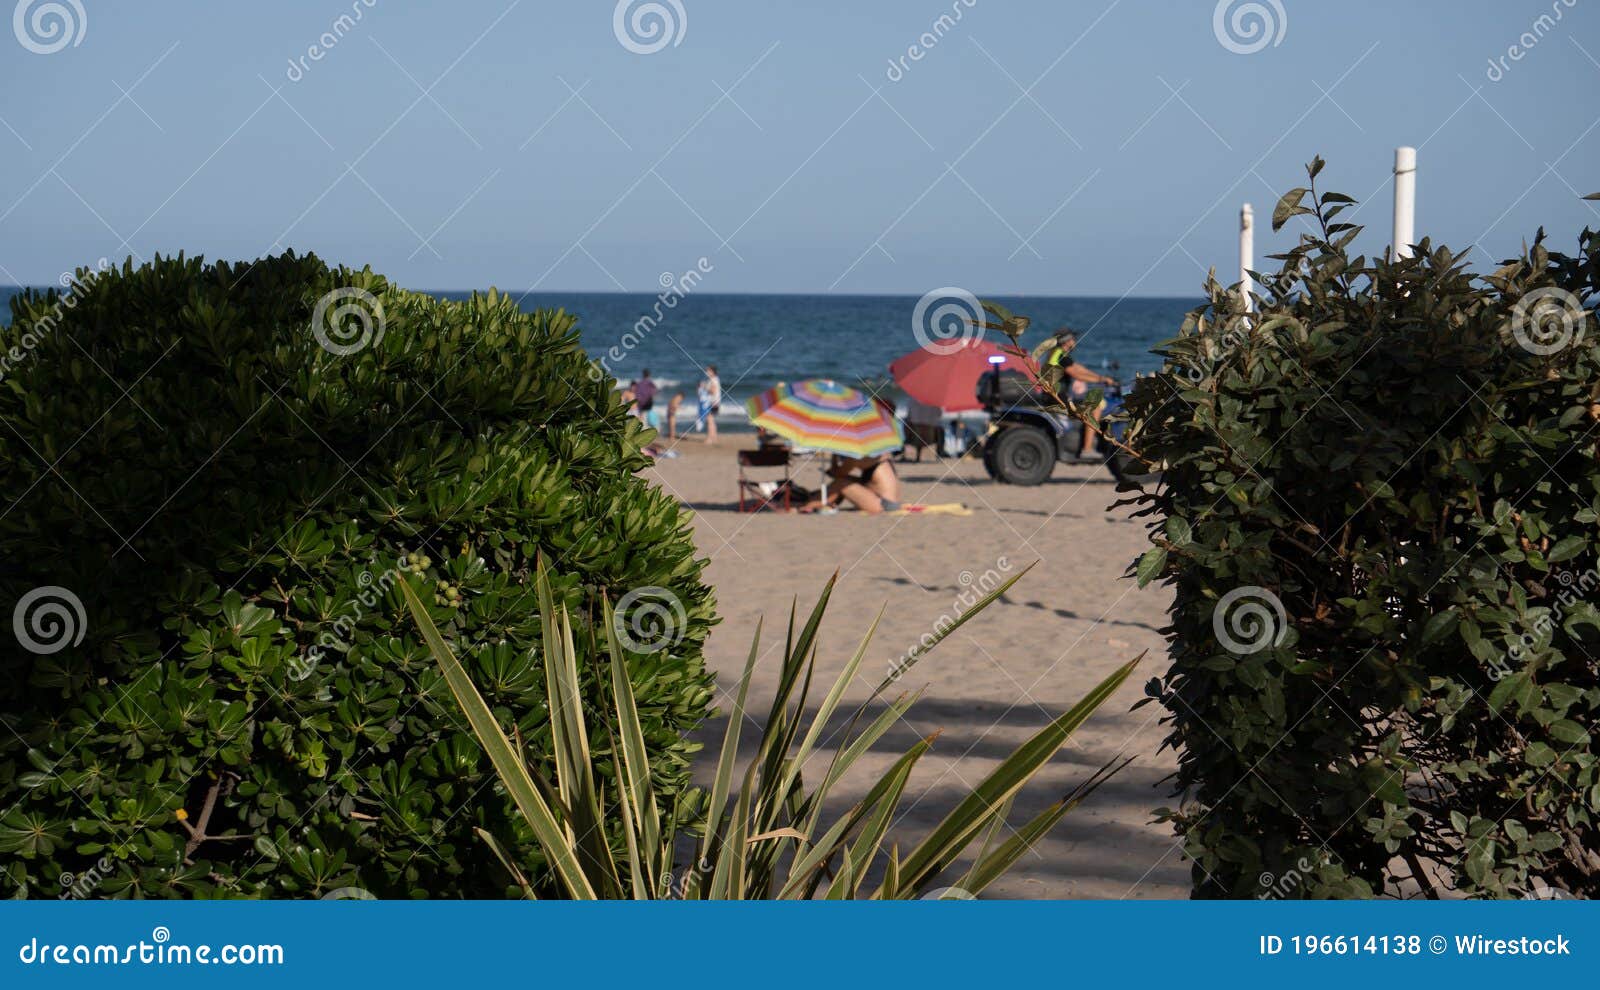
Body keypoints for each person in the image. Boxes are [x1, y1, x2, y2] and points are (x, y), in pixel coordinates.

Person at [1041, 330, 1116, 456]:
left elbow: (1079, 368)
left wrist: (1100, 377)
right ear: (1067, 341)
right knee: (1097, 406)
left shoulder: (1057, 354)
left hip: (1055, 396)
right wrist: (1101, 380)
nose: (1074, 342)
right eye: (1073, 339)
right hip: (1058, 398)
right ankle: (1087, 449)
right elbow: (1075, 373)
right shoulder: (1061, 356)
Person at [800, 455, 903, 515]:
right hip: (891, 502)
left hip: (882, 505)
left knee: (841, 483)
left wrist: (834, 456)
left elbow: (837, 473)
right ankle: (820, 501)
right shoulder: (881, 454)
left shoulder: (857, 457)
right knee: (846, 480)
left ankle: (809, 505)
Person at [698, 365, 722, 446]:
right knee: (712, 421)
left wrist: (703, 387)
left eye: (708, 371)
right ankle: (714, 438)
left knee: (709, 421)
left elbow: (713, 391)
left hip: (713, 403)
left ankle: (709, 439)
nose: (706, 372)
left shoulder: (713, 379)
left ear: (712, 371)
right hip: (715, 402)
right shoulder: (714, 379)